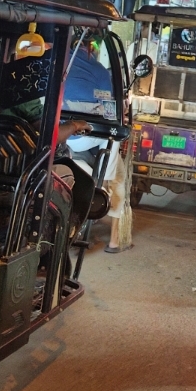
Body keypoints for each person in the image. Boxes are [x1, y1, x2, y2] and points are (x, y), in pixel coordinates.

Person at [60, 40, 130, 252]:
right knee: (117, 171)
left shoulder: (59, 62)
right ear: (92, 49)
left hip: (62, 136)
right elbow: (112, 109)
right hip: (86, 136)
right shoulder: (99, 71)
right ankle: (115, 239)